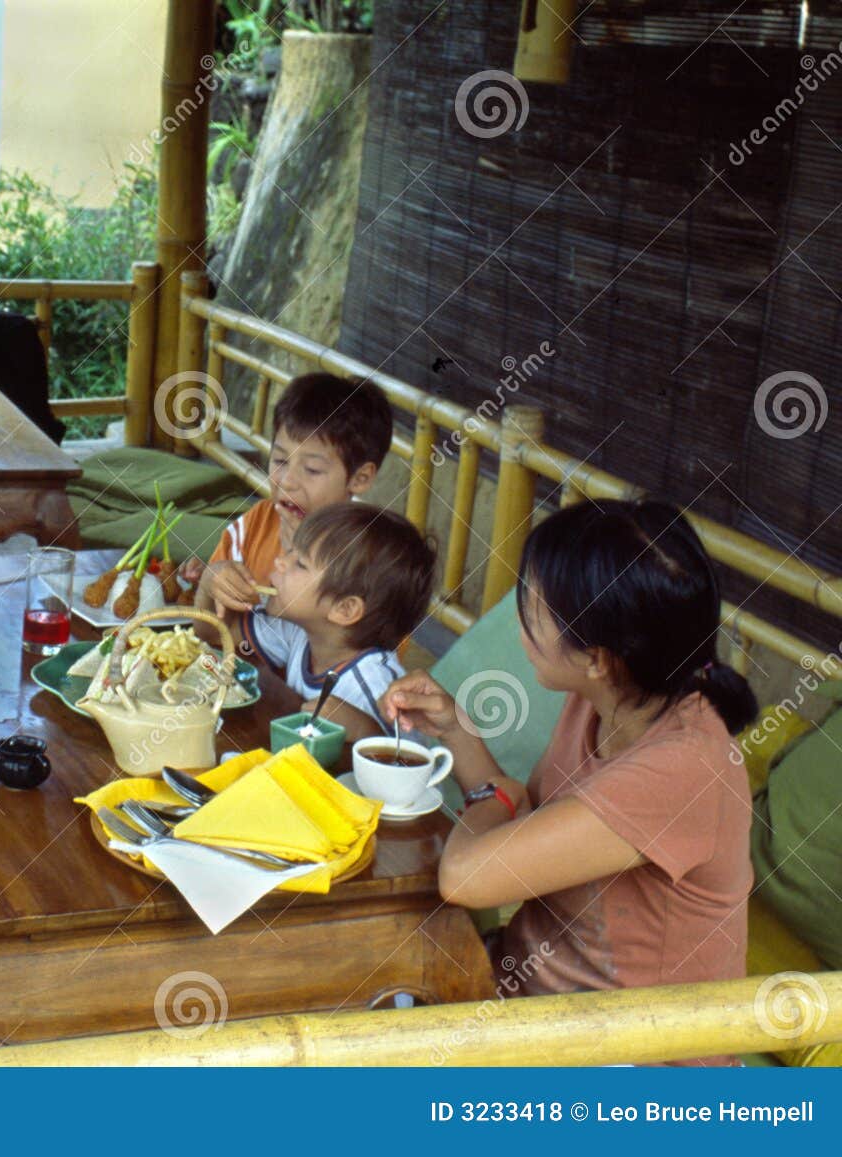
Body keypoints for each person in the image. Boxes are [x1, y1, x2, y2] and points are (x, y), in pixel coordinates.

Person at [380, 500, 757, 1065]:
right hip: (529, 1004)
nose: (517, 625)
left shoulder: (682, 770)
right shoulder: (605, 699)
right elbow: (526, 819)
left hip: (635, 1061)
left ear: (599, 659)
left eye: (532, 612)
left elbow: (466, 877)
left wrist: (494, 796)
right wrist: (456, 730)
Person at [198, 502, 435, 762]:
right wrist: (210, 581)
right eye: (291, 551)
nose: (279, 561)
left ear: (344, 609)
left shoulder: (377, 686)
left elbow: (413, 769)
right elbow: (215, 633)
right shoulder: (300, 632)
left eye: (300, 563)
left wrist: (365, 730)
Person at [180, 372, 393, 615]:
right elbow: (210, 627)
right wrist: (209, 583)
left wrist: (300, 559)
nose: (288, 482)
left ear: (359, 478)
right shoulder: (254, 526)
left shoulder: (371, 557)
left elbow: (351, 638)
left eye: (312, 469)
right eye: (280, 460)